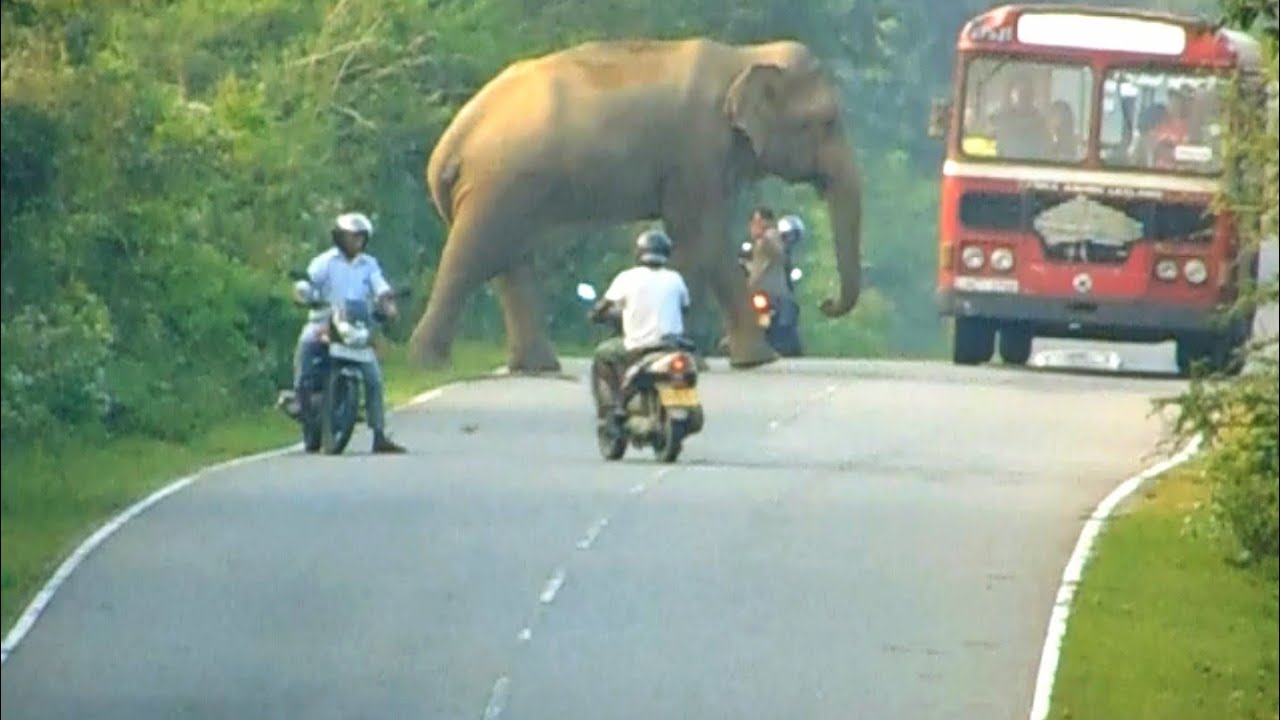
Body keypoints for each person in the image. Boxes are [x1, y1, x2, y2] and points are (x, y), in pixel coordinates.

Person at [292, 211, 406, 454]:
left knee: (374, 377)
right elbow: (308, 284)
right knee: (305, 351)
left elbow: (381, 288)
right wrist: (304, 295)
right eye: (351, 237)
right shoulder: (324, 262)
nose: (356, 242)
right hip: (323, 322)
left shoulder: (369, 264)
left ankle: (379, 434)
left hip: (356, 326)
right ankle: (301, 403)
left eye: (360, 238)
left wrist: (387, 305)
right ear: (339, 238)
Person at [589, 228, 691, 419]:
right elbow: (685, 307)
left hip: (638, 346)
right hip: (672, 345)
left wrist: (595, 314)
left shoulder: (627, 277)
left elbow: (603, 306)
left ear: (639, 252)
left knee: (603, 354)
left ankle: (616, 405)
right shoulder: (675, 278)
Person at [990, 73, 1050, 160]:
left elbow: (1046, 152)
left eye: (1027, 92)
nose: (1023, 97)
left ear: (1033, 95)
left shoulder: (1042, 124)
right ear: (1011, 95)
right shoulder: (1002, 121)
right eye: (1020, 93)